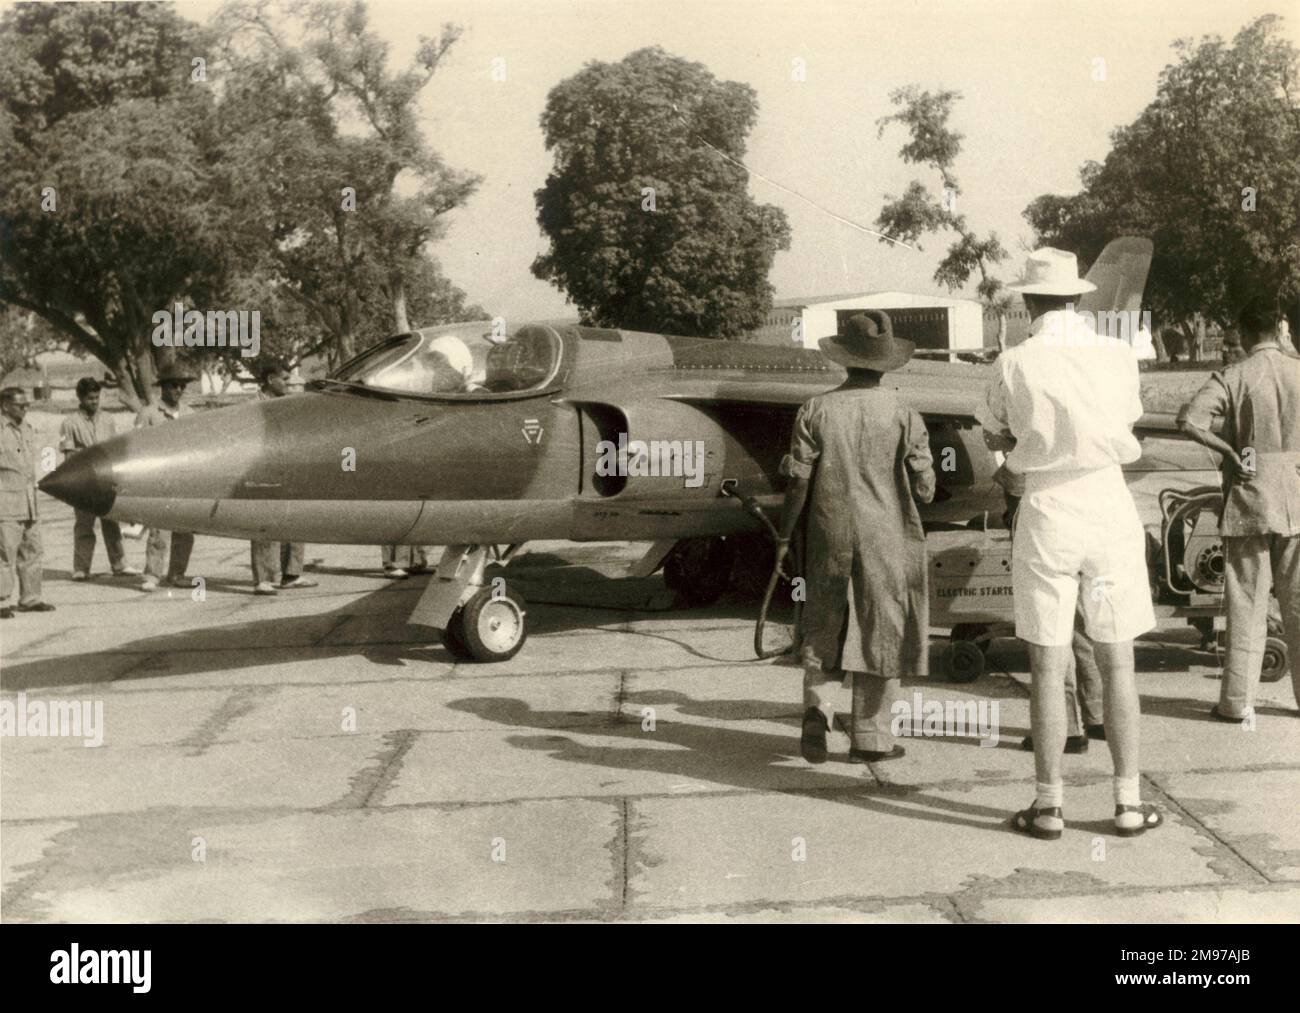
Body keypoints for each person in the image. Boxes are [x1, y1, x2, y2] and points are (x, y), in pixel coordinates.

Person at [978, 247, 1161, 839]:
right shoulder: (1117, 355)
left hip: (1047, 505)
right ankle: (1128, 803)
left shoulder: (1014, 360)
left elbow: (995, 430)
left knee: (1047, 658)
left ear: (1029, 301)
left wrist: (1013, 463)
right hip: (1108, 501)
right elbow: (1127, 419)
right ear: (1078, 297)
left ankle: (1048, 804)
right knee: (1118, 659)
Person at [777, 311, 935, 764]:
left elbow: (798, 483)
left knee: (824, 623)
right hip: (887, 539)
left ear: (844, 360)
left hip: (829, 535)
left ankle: (817, 713)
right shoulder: (904, 412)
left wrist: (784, 538)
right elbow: (925, 488)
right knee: (882, 631)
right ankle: (871, 738)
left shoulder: (815, 409)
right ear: (885, 362)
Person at [1178, 296, 1300, 718]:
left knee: (1246, 603)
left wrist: (1231, 452)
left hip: (1250, 497)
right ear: (1279, 330)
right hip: (1297, 497)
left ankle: (1236, 703)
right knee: (1298, 604)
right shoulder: (1298, 370)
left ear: (1246, 334)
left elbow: (1189, 420)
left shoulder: (1234, 375)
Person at [59, 377, 140, 581]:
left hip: (106, 480)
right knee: (84, 525)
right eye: (90, 398)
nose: (94, 402)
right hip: (84, 481)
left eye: (97, 397)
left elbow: (114, 449)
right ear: (80, 398)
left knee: (111, 522)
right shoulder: (69, 423)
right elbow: (68, 456)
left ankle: (120, 564)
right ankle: (81, 568)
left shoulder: (108, 420)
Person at [249, 362, 317, 595]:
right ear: (270, 380)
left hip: (290, 468)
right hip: (264, 470)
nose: (289, 383)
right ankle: (263, 578)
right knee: (265, 525)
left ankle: (292, 574)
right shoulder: (252, 407)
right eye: (284, 379)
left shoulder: (289, 405)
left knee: (294, 520)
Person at [136, 363, 196, 592]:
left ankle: (178, 573)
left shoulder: (190, 414)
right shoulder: (149, 413)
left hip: (185, 478)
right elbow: (138, 446)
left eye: (182, 386)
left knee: (186, 530)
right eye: (173, 385)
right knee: (158, 530)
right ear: (163, 387)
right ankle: (152, 574)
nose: (178, 390)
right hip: (159, 478)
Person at [0, 386, 54, 618]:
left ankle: (30, 598)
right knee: (4, 554)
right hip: (6, 504)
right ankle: (1, 601)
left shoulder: (28, 430)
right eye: (21, 405)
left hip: (30, 503)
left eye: (27, 405)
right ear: (5, 406)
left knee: (32, 551)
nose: (26, 409)